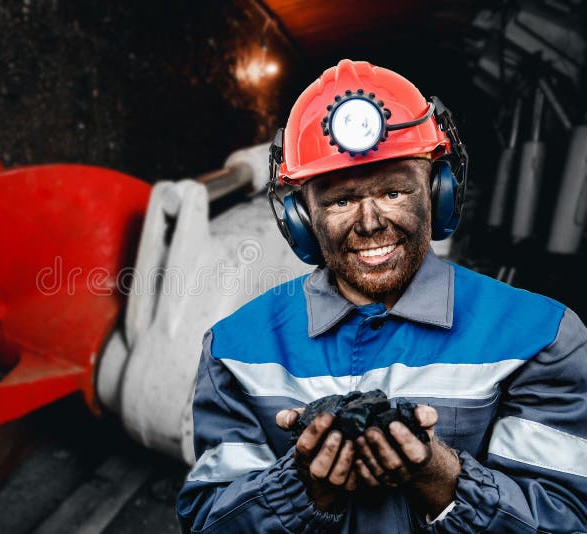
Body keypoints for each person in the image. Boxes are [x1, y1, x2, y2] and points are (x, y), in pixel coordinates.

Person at [176, 59, 587, 533]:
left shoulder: (541, 338)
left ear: (439, 192)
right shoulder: (234, 349)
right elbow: (209, 524)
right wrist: (301, 487)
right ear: (301, 218)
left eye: (394, 192)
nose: (370, 223)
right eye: (341, 200)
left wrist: (440, 477)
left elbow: (567, 519)